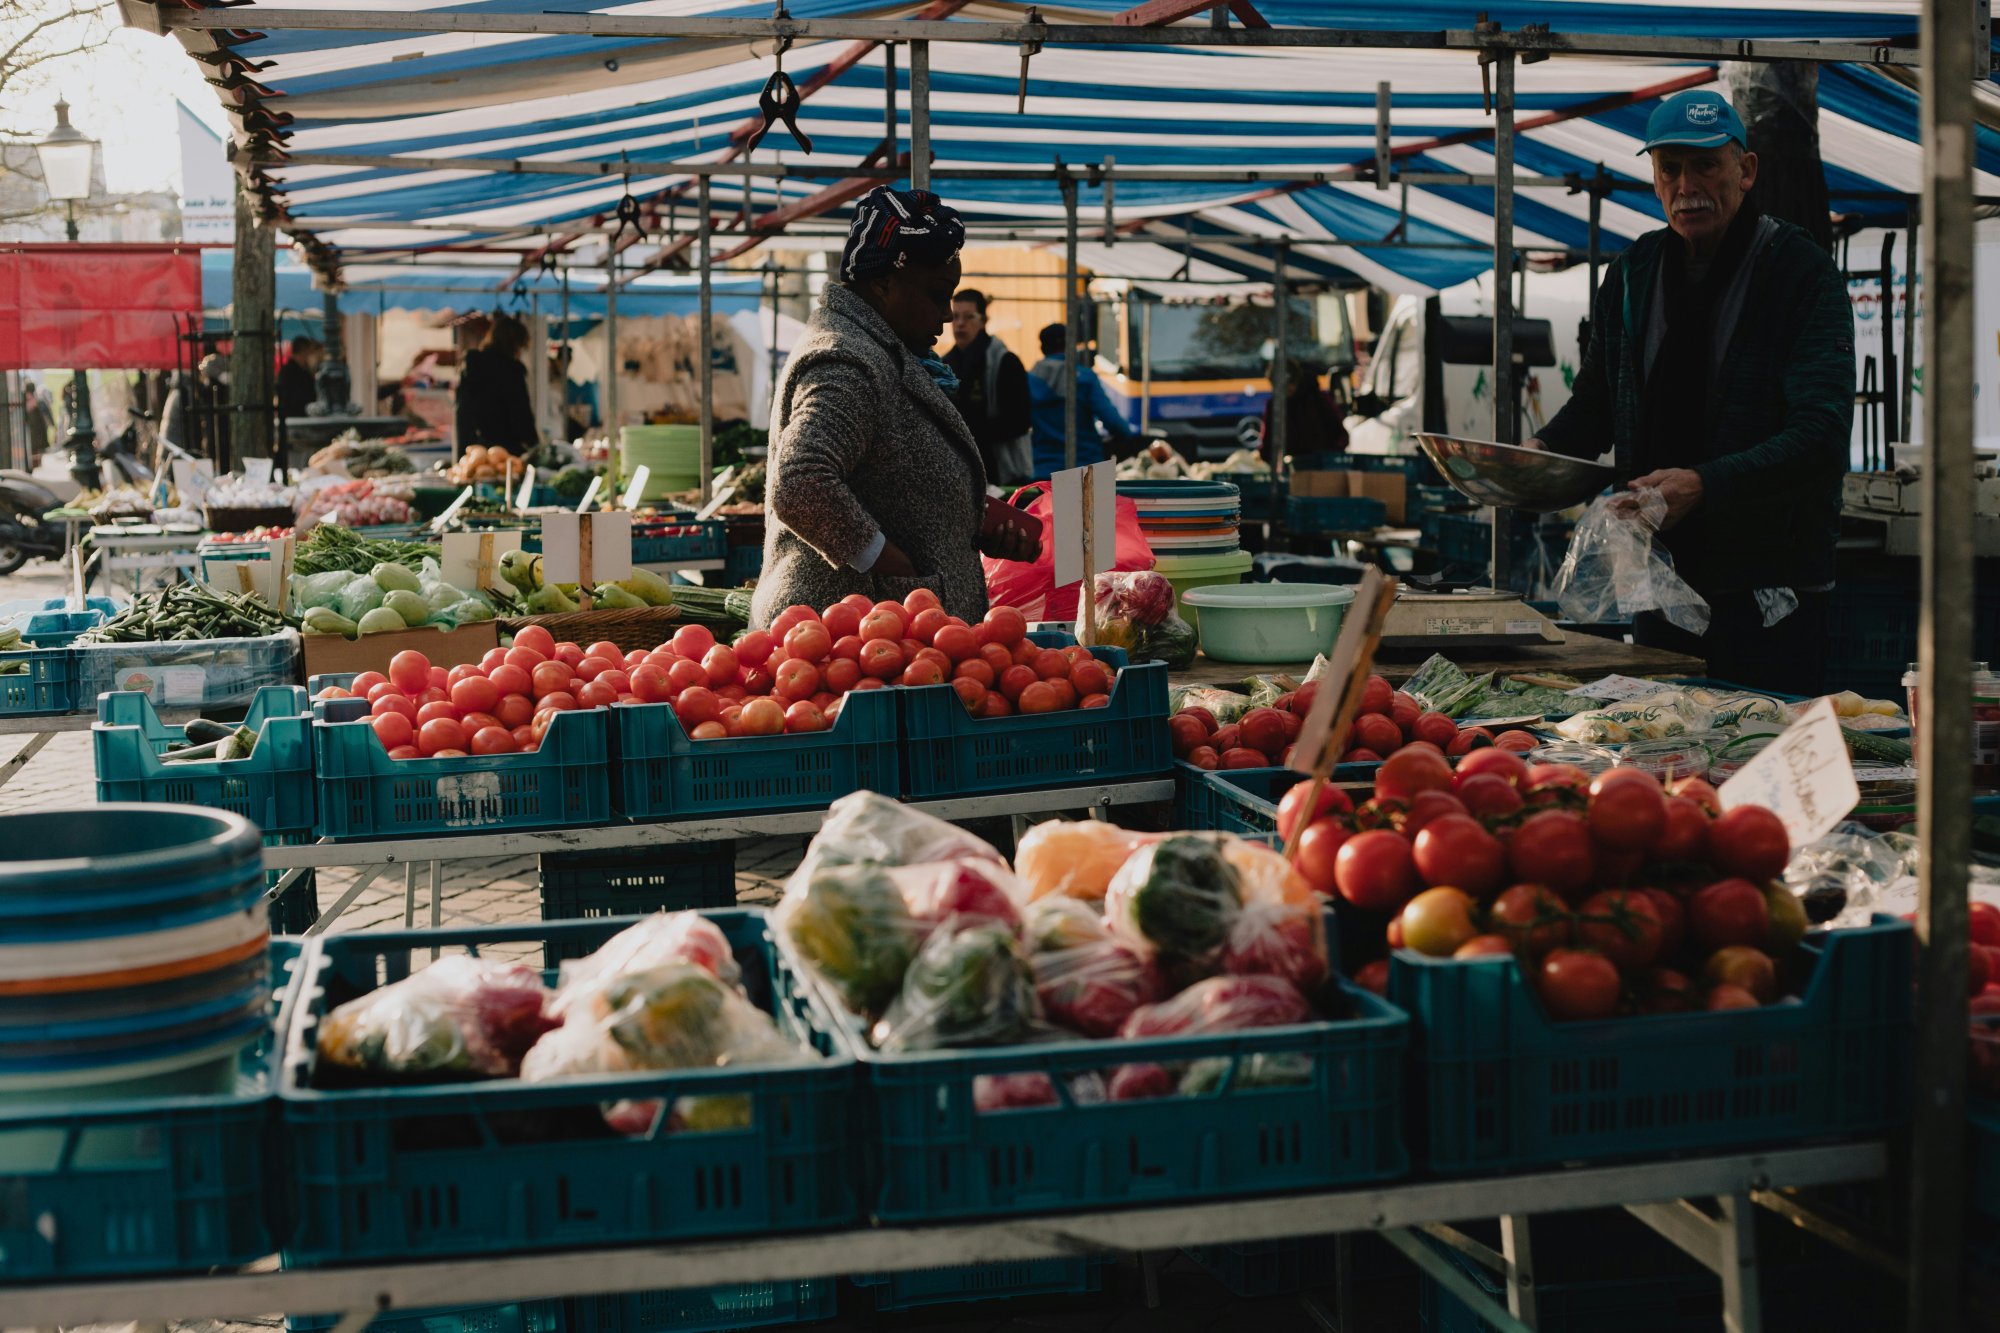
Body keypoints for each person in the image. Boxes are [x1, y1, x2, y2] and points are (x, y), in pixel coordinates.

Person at [1526, 89, 1852, 695]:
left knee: (1758, 753)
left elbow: (1821, 435)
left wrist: (1705, 484)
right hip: (1659, 577)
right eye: (1670, 168)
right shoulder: (1632, 273)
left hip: (1767, 592)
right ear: (1653, 177)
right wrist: (1533, 454)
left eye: (1707, 164)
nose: (1687, 184)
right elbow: (1596, 403)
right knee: (1665, 755)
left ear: (1746, 170)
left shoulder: (1798, 272)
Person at [754, 187, 1040, 628]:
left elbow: (888, 477)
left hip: (882, 632)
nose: (947, 315)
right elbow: (800, 483)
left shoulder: (878, 350)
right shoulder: (847, 359)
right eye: (937, 294)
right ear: (884, 283)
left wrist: (967, 517)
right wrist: (892, 567)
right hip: (854, 635)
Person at [942, 288, 1033, 486]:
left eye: (968, 317)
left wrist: (970, 433)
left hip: (1002, 471)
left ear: (983, 320)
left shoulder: (1005, 362)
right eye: (955, 316)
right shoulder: (945, 365)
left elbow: (1019, 420)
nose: (959, 324)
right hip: (960, 471)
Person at [1025, 323, 1138, 477]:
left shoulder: (1029, 380)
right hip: (1086, 468)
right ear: (1071, 346)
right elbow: (1113, 421)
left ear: (1043, 348)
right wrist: (1125, 435)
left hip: (1044, 468)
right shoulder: (1085, 378)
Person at [454, 314, 539, 458]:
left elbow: (462, 413)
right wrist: (534, 444)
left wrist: (461, 454)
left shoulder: (472, 367)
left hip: (474, 449)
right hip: (505, 451)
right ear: (515, 344)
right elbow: (521, 414)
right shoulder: (511, 371)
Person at [1261, 357, 1347, 466]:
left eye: (1288, 386)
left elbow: (1340, 433)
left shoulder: (1318, 398)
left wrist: (1331, 455)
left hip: (1324, 465)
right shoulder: (1275, 405)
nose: (1286, 391)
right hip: (1293, 467)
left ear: (1296, 381)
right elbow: (1267, 444)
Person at [277, 336, 324, 419]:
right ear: (304, 352)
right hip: (295, 419)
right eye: (311, 352)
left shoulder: (304, 372)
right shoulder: (289, 372)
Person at [21, 380, 54, 462]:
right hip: (33, 429)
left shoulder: (37, 401)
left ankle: (35, 462)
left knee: (35, 447)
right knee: (34, 447)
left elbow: (46, 412)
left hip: (36, 429)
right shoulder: (35, 400)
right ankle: (34, 462)